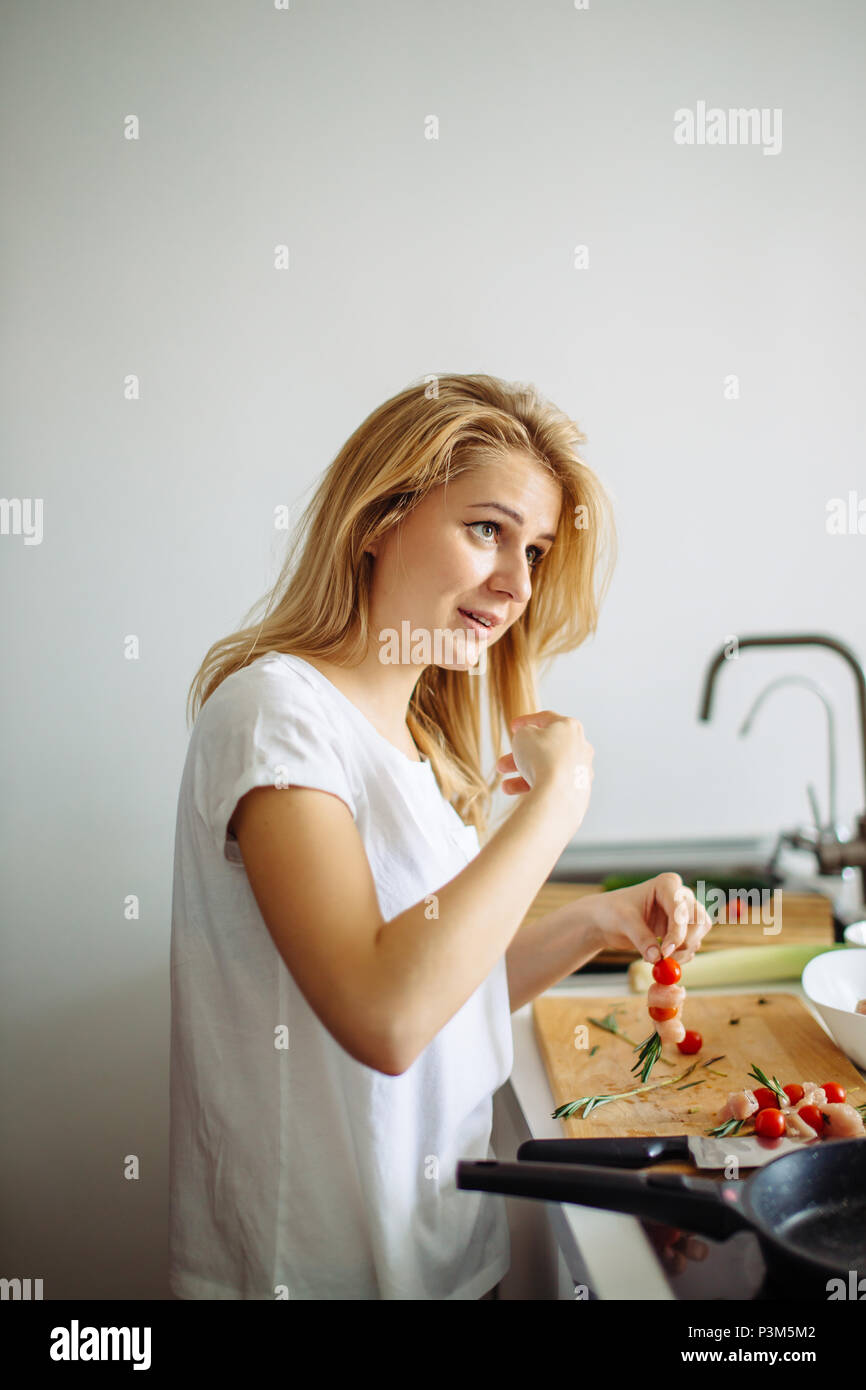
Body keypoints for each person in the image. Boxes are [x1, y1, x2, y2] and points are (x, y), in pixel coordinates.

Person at [167, 372, 712, 1300]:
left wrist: (594, 923)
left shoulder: (414, 746)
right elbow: (385, 1017)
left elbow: (444, 990)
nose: (516, 584)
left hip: (449, 1264)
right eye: (487, 529)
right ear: (381, 518)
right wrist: (558, 801)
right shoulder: (277, 714)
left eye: (534, 549)